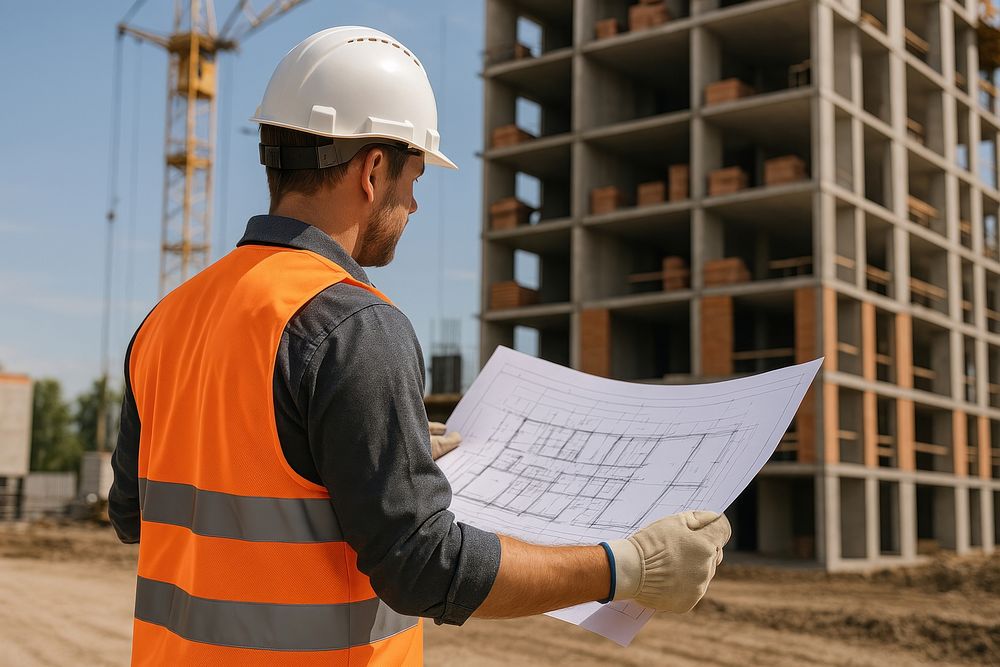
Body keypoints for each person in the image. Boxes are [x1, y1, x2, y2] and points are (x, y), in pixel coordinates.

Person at [109, 26, 731, 665]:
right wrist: (627, 567)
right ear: (373, 169)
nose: (415, 202)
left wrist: (353, 454)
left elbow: (139, 515)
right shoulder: (351, 324)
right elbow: (424, 566)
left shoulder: (166, 319)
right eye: (414, 177)